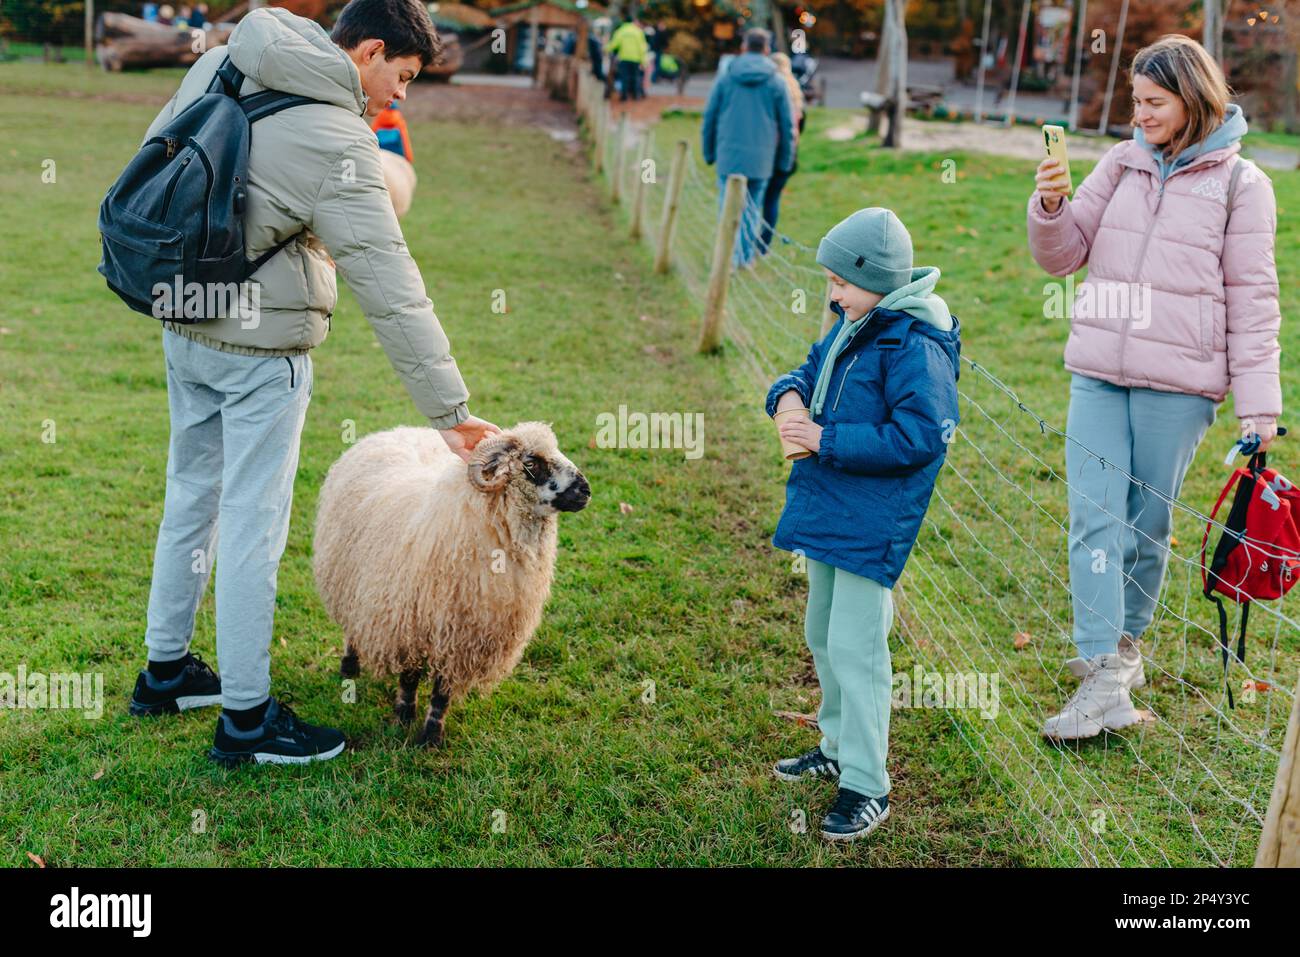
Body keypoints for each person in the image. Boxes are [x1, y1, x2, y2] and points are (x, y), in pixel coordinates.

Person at [127, 0, 501, 766]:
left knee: (190, 494)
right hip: (262, 353)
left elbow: (158, 163)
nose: (400, 98)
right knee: (253, 526)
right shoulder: (340, 138)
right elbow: (393, 289)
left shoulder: (223, 59)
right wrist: (452, 414)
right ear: (366, 52)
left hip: (183, 321)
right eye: (399, 77)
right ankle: (246, 719)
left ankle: (164, 671)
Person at [1025, 34, 1281, 740]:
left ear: (1194, 99)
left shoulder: (1241, 186)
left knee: (1145, 525)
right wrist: (1050, 208)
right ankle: (1103, 670)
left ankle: (1126, 648)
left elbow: (1254, 298)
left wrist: (1259, 408)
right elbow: (1062, 255)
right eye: (1135, 101)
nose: (1138, 115)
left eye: (1153, 103)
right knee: (1094, 514)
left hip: (1181, 386)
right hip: (1099, 372)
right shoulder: (1121, 162)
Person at [766, 208, 961, 841]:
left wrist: (826, 438)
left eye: (840, 283)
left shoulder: (913, 345)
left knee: (858, 648)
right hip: (830, 504)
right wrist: (788, 399)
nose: (832, 294)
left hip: (870, 520)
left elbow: (921, 436)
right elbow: (808, 368)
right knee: (822, 632)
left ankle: (866, 783)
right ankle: (836, 746)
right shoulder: (855, 323)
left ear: (876, 279)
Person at [701, 28, 792, 269]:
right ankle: (743, 259)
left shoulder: (726, 76)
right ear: (766, 49)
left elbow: (710, 116)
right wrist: (785, 160)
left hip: (728, 155)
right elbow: (787, 124)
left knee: (727, 207)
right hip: (761, 159)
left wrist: (709, 152)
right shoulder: (776, 82)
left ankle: (729, 259)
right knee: (751, 211)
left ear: (743, 47)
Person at [758, 51, 805, 256]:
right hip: (789, 154)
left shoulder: (772, 90)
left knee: (757, 197)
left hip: (769, 152)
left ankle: (751, 242)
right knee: (772, 200)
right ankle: (764, 245)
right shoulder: (796, 92)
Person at [607, 14, 648, 102]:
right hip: (636, 58)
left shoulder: (621, 31)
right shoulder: (638, 31)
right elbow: (642, 48)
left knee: (624, 77)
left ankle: (624, 96)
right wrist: (643, 61)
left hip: (624, 57)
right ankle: (636, 96)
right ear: (633, 22)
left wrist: (604, 48)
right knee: (635, 77)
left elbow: (614, 44)